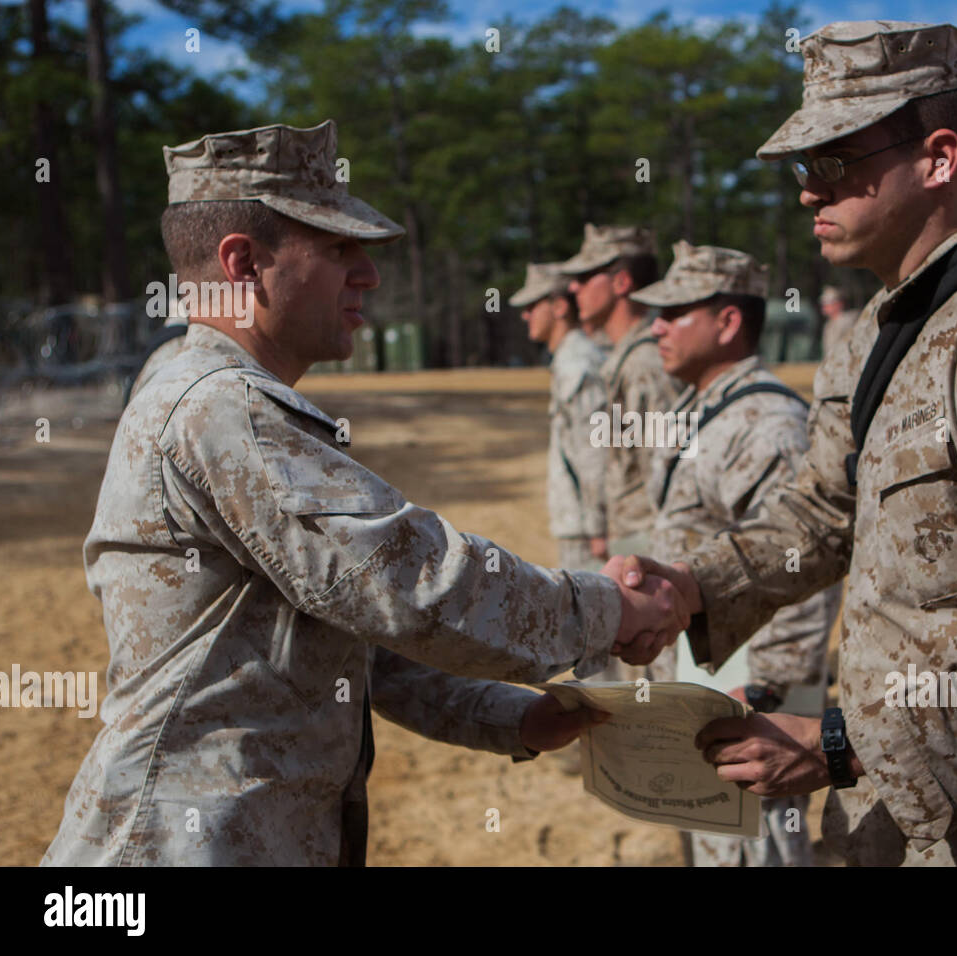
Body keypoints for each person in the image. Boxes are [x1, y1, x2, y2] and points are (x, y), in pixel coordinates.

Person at [42, 121, 687, 867]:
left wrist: (511, 718)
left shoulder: (197, 388)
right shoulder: (223, 410)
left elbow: (348, 637)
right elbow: (414, 584)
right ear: (243, 263)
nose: (368, 276)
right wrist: (608, 610)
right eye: (339, 249)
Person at [610, 20, 957, 866]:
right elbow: (824, 516)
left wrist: (840, 744)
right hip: (887, 818)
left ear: (940, 158)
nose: (807, 192)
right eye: (803, 169)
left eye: (832, 162)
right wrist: (694, 587)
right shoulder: (877, 330)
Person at [637, 240, 840, 866]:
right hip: (707, 684)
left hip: (748, 696)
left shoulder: (764, 422)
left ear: (728, 322)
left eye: (676, 312)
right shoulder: (708, 408)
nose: (657, 326)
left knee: (757, 848)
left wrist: (771, 689)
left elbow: (803, 561)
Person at [561, 224, 682, 682]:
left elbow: (664, 477)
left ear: (621, 283)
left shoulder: (646, 363)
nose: (573, 287)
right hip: (632, 542)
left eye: (587, 273)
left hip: (649, 548)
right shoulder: (624, 358)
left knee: (659, 692)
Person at [511, 262, 608, 571]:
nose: (525, 315)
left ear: (560, 306)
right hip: (577, 524)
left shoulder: (577, 365)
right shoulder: (570, 359)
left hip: (585, 530)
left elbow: (595, 451)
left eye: (532, 305)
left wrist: (598, 526)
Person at [820, 285, 860, 355]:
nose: (824, 307)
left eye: (827, 303)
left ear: (838, 304)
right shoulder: (829, 324)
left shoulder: (847, 321)